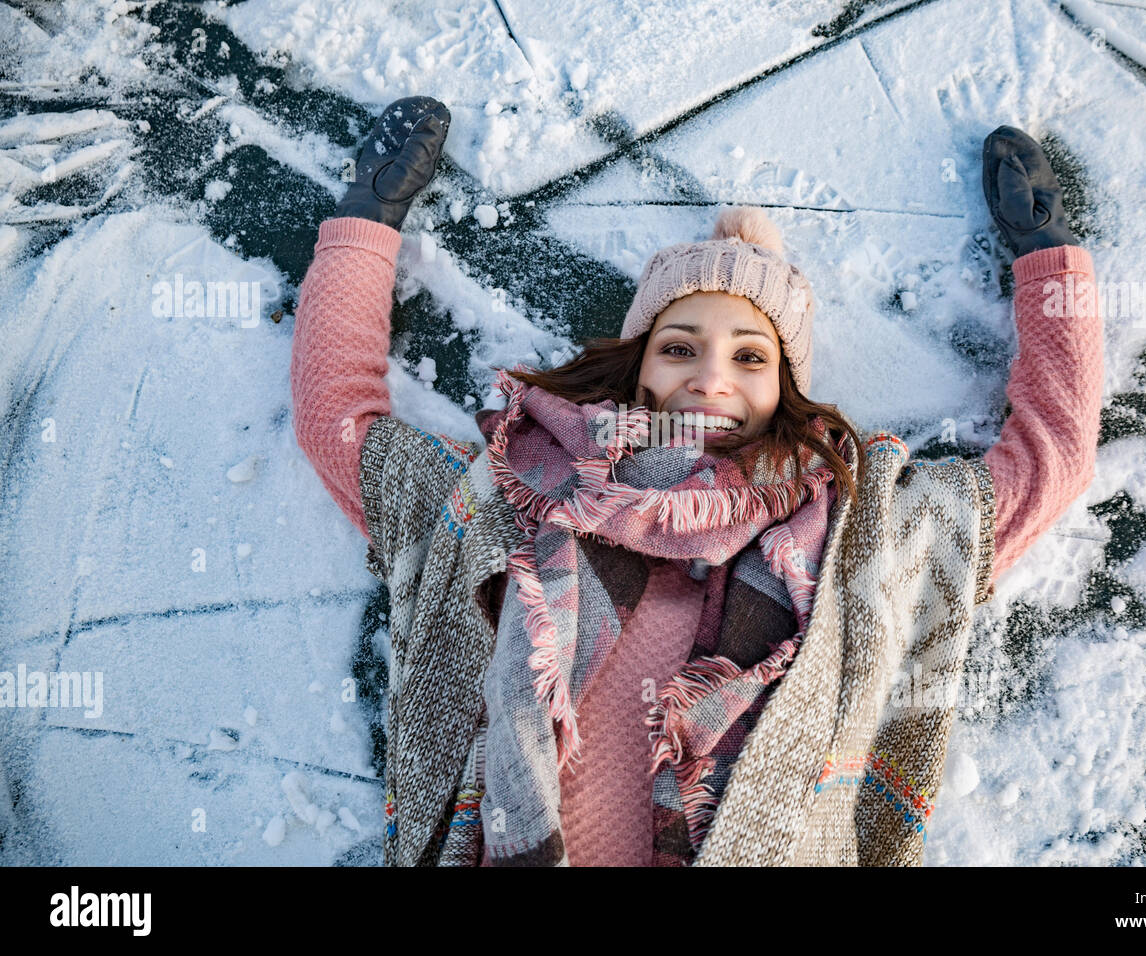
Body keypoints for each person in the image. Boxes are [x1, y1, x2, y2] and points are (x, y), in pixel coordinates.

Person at [290, 97, 1103, 866]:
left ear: (786, 387)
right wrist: (367, 219)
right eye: (679, 346)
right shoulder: (525, 488)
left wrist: (1048, 262)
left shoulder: (848, 534)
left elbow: (1051, 458)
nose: (712, 378)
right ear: (639, 366)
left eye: (751, 357)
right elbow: (341, 421)